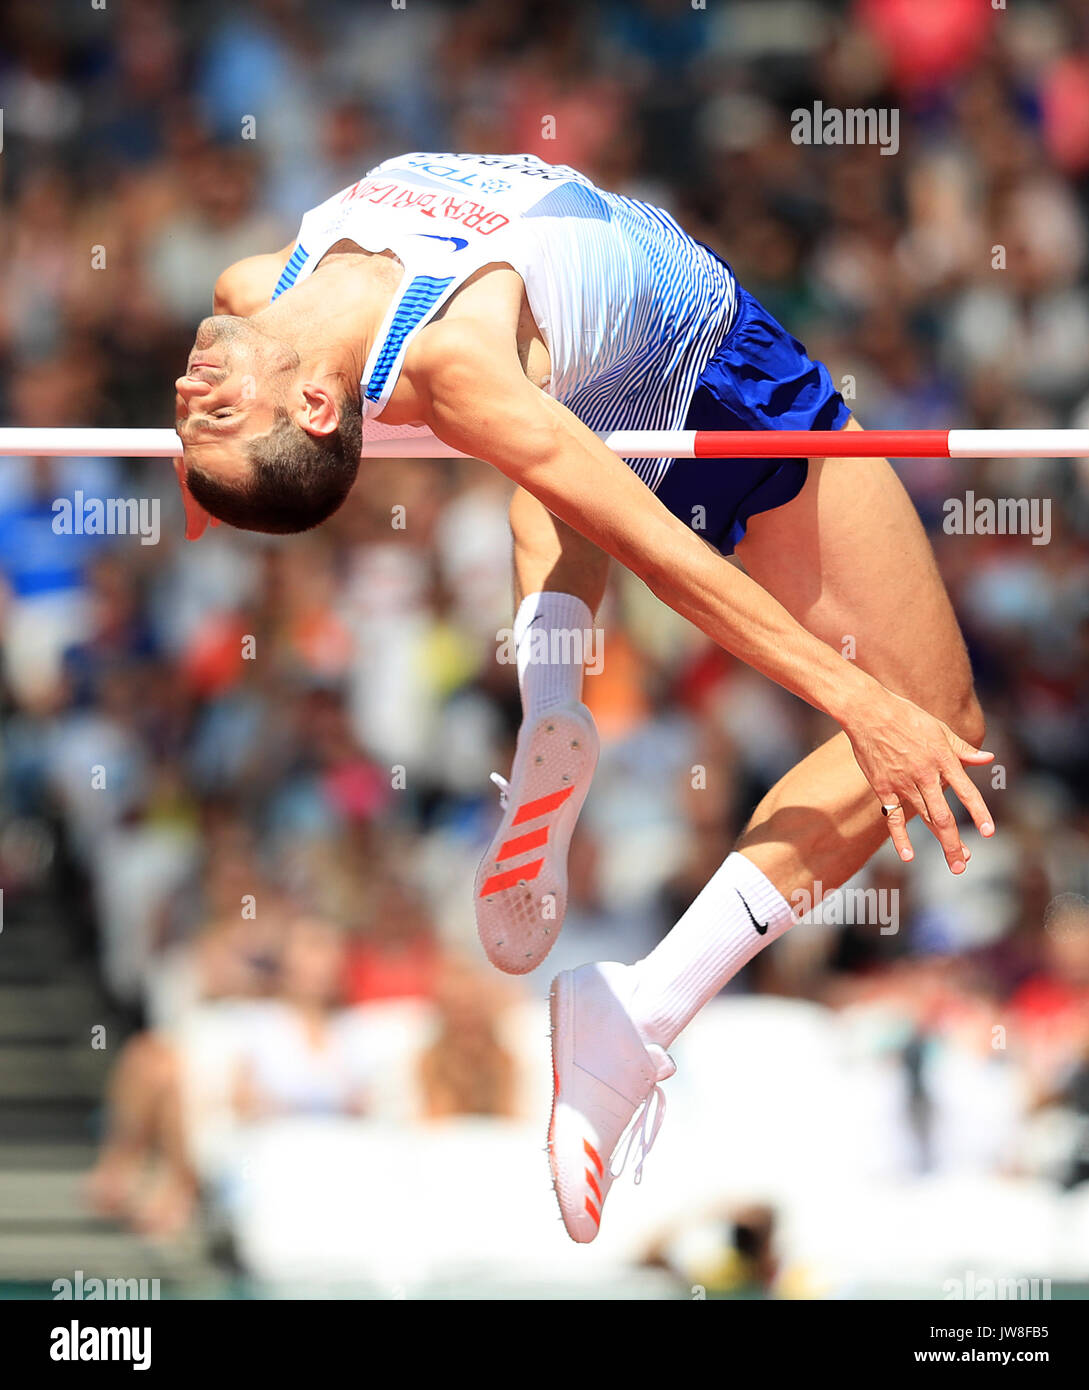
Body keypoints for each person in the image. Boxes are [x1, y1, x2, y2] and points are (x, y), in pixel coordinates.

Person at [173, 150, 994, 1241]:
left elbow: (276, 422)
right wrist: (863, 704)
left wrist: (214, 474)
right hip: (719, 370)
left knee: (549, 433)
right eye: (215, 417)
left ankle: (550, 703)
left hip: (586, 363)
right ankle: (639, 1012)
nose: (188, 398)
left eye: (193, 420)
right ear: (318, 404)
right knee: (935, 722)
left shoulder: (249, 287)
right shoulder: (454, 363)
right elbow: (660, 553)